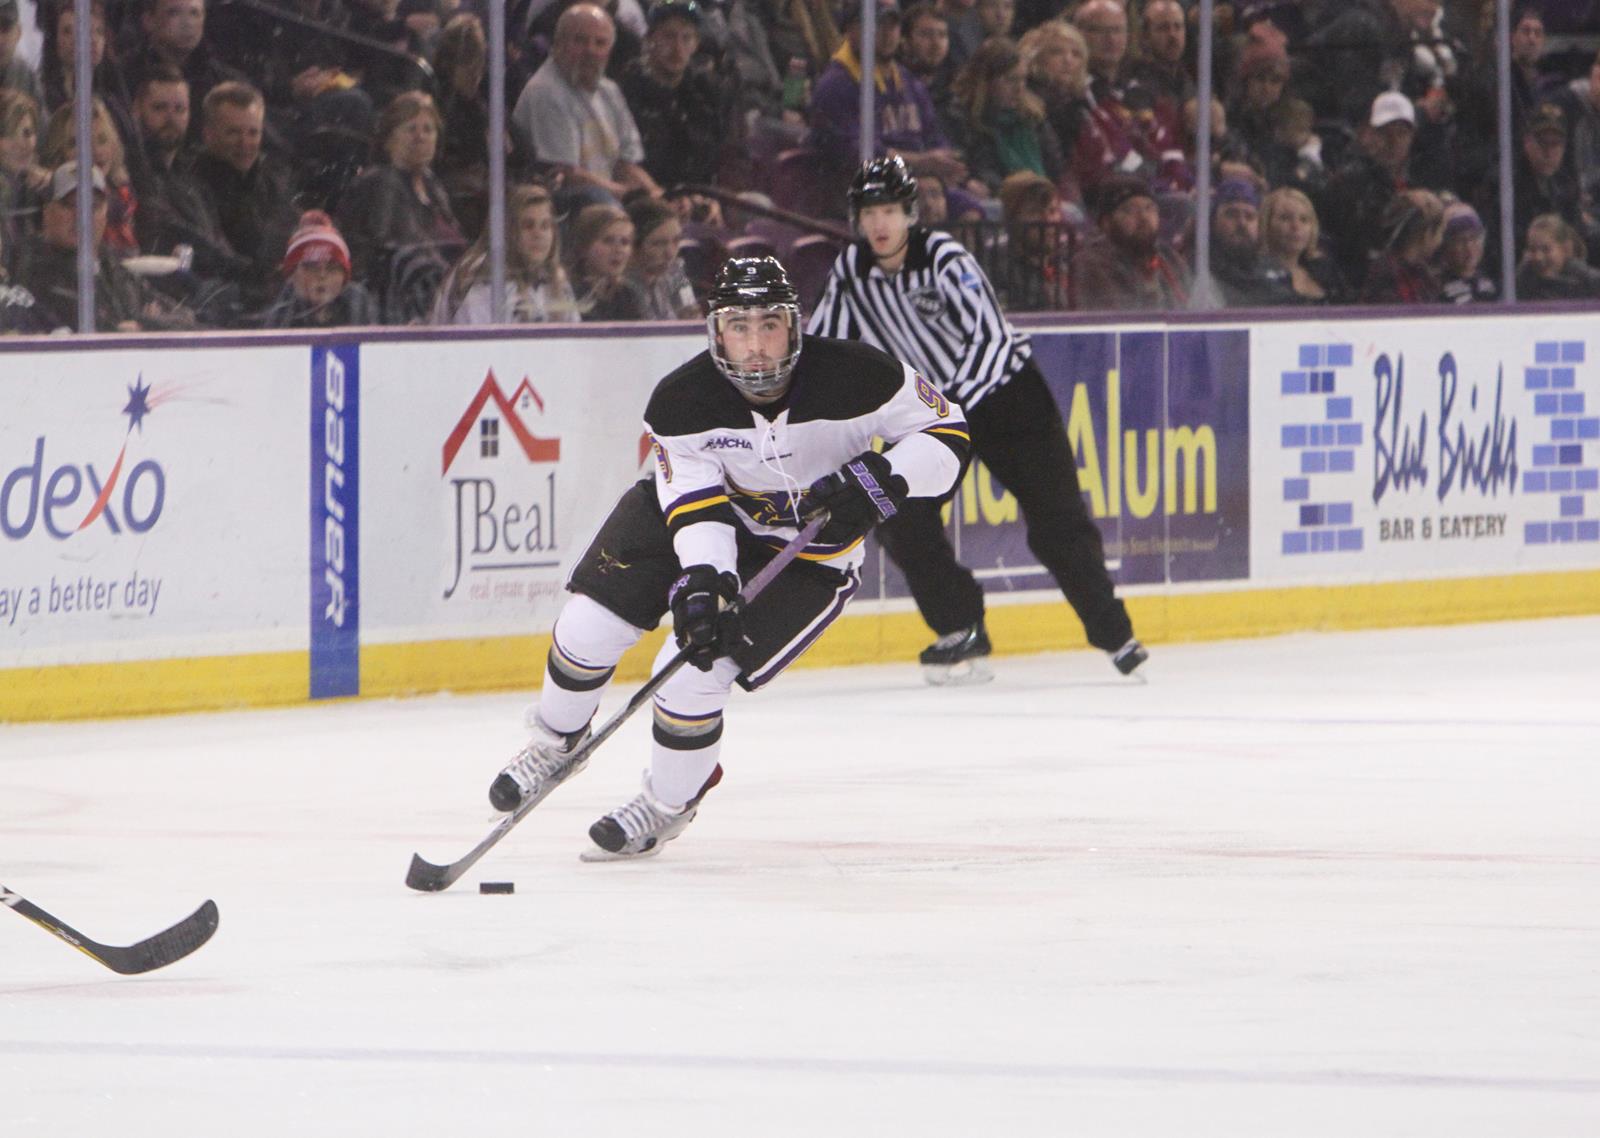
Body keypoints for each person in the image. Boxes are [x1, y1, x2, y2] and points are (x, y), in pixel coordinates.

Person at [484, 254, 970, 858]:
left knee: (692, 677)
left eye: (769, 324)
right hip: (707, 523)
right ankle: (556, 739)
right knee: (588, 626)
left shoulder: (862, 375)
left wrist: (883, 479)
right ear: (716, 332)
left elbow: (948, 434)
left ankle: (667, 805)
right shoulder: (681, 403)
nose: (757, 347)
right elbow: (695, 506)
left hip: (808, 558)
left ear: (794, 325)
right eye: (739, 327)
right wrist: (706, 582)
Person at [808, 156, 1145, 682]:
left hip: (1007, 399)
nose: (880, 224)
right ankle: (960, 624)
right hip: (936, 414)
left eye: (891, 211)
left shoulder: (945, 256)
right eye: (870, 212)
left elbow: (988, 337)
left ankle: (1115, 634)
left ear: (910, 214)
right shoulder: (852, 271)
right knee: (898, 512)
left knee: (1057, 522)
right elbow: (829, 345)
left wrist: (947, 407)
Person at [509, 2, 661, 210]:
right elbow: (566, 175)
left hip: (610, 206)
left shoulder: (610, 91)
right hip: (566, 210)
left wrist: (658, 198)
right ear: (558, 43)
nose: (590, 50)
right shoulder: (545, 91)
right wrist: (629, 196)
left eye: (600, 43)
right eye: (580, 41)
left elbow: (626, 164)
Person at [337, 89, 465, 323]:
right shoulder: (380, 183)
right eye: (411, 129)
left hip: (441, 298)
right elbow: (391, 251)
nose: (421, 137)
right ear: (389, 138)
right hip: (398, 306)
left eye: (428, 129)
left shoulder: (432, 185)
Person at [431, 182, 579, 325]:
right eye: (528, 226)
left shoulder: (556, 279)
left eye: (545, 226)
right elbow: (474, 342)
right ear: (507, 231)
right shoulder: (482, 273)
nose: (538, 235)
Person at [618, 0, 725, 193]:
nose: (678, 48)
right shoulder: (628, 87)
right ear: (649, 39)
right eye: (668, 36)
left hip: (696, 195)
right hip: (646, 198)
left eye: (686, 38)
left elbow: (714, 157)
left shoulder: (703, 91)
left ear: (696, 43)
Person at [1070, 171, 1189, 311]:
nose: (1144, 217)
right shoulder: (1092, 263)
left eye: (1149, 208)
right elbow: (1122, 320)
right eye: (1130, 210)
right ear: (1106, 222)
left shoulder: (1169, 258)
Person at [259, 208, 379, 327]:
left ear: (344, 277)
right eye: (312, 268)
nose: (322, 275)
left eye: (332, 268)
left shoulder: (358, 307)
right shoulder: (280, 315)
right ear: (292, 275)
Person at [1259, 186, 1344, 304]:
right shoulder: (1254, 276)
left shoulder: (1326, 272)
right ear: (1266, 224)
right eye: (1285, 218)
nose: (1296, 226)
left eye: (1304, 220)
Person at [1359, 187, 1445, 304]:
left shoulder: (1422, 273)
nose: (1441, 240)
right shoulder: (1390, 278)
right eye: (1441, 232)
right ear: (1427, 234)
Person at [625, 194, 699, 319]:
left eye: (676, 241)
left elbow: (690, 317)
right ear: (633, 246)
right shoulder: (621, 291)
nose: (670, 253)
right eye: (658, 244)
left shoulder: (675, 271)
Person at [568, 201, 645, 320]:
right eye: (608, 241)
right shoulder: (569, 291)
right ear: (584, 246)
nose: (618, 250)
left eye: (624, 242)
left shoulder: (628, 293)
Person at [1517, 212, 1600, 301]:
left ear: (1565, 249)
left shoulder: (1589, 281)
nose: (1538, 257)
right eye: (1532, 250)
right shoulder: (1523, 279)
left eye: (1546, 249)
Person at [1435, 199, 1496, 303]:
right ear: (1446, 245)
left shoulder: (1489, 285)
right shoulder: (1436, 287)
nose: (1469, 247)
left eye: (1474, 238)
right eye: (1460, 240)